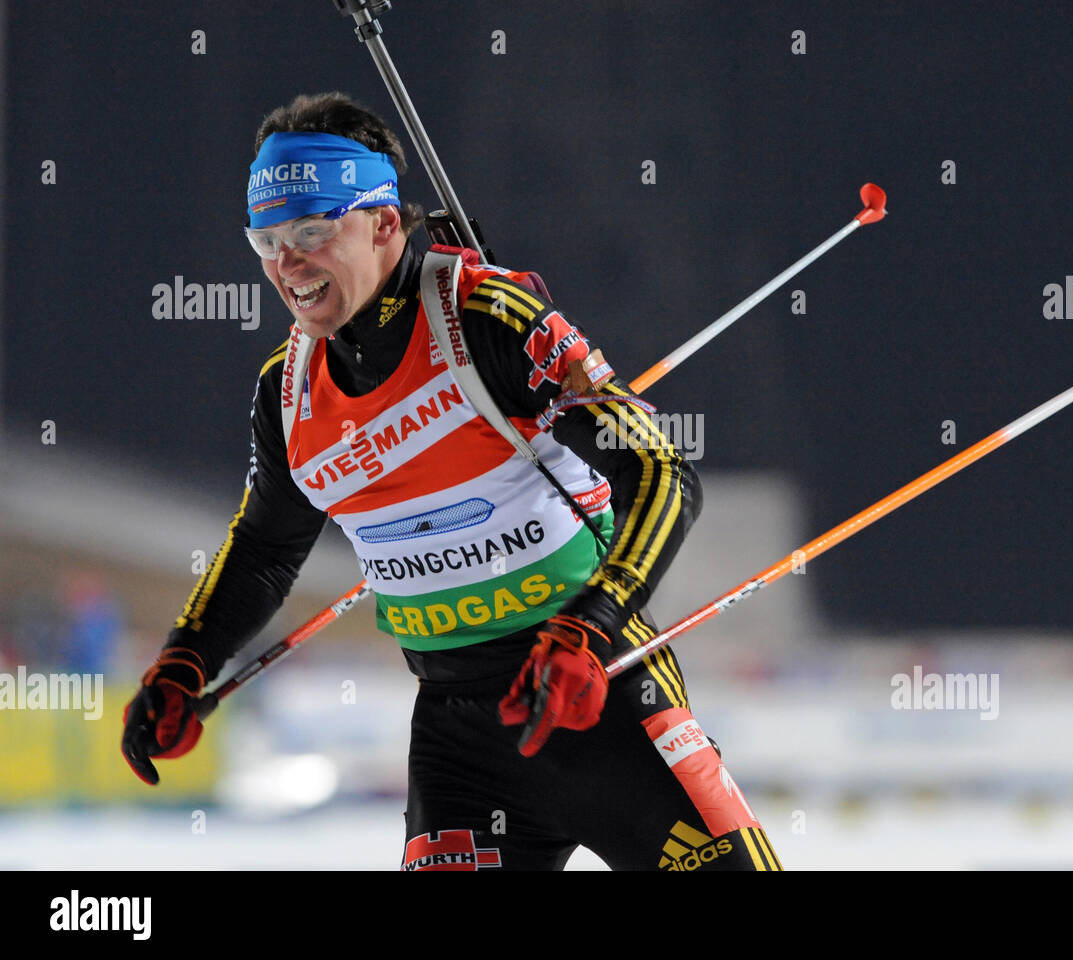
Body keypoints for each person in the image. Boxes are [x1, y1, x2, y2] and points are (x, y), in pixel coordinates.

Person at [120, 92, 782, 872]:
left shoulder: (485, 319)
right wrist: (184, 661)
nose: (286, 264)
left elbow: (662, 472)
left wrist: (591, 625)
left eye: (311, 230)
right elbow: (266, 547)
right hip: (458, 740)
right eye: (266, 239)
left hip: (593, 691)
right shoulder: (288, 389)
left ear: (384, 223)